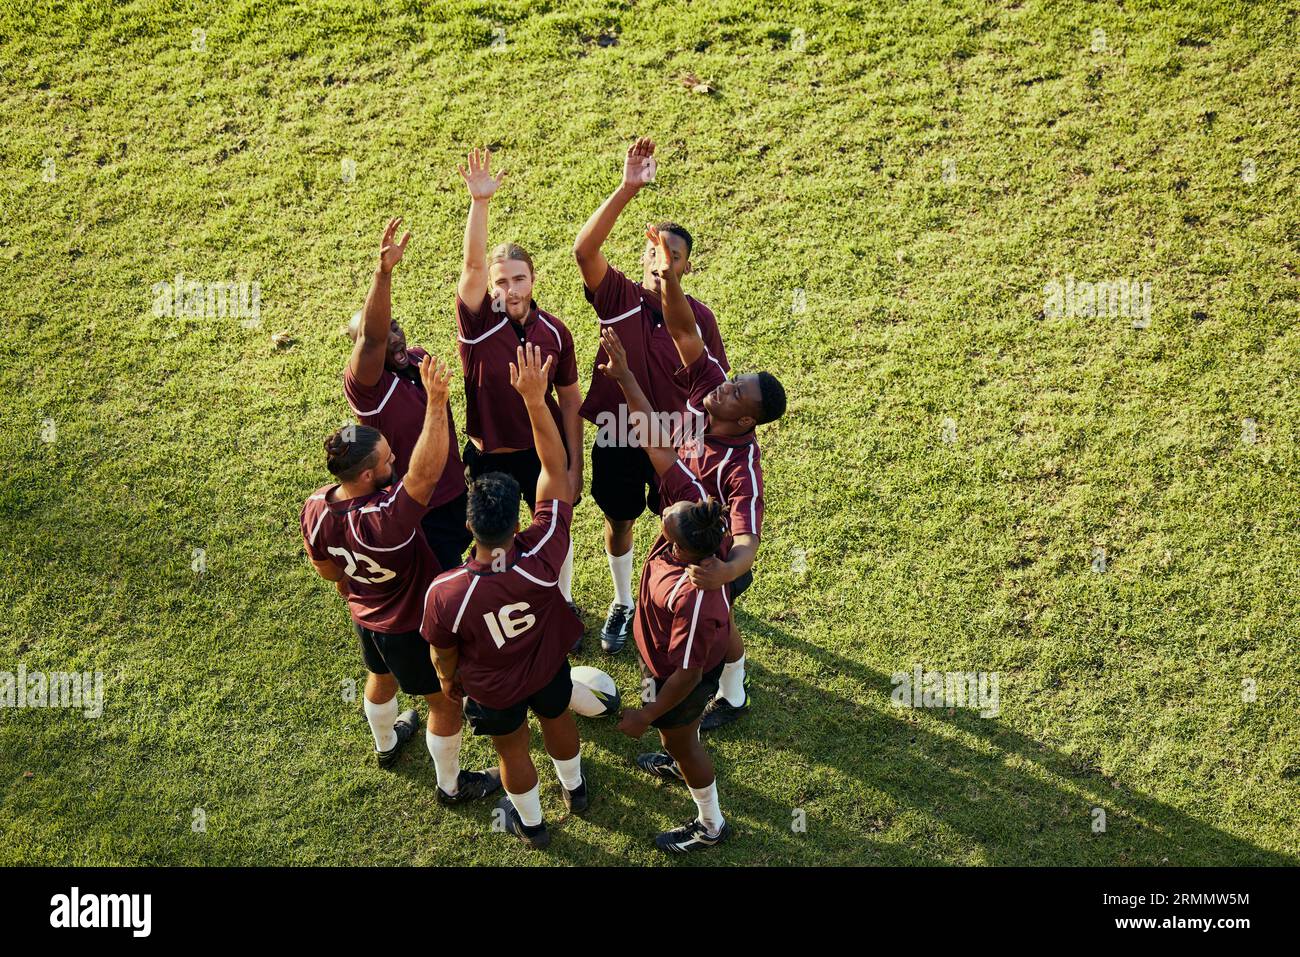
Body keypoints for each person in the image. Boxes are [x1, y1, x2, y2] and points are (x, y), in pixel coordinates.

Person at [300, 354, 502, 807]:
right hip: (409, 625)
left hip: (366, 616)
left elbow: (328, 570)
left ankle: (387, 745)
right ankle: (451, 786)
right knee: (444, 704)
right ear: (368, 474)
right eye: (390, 460)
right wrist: (435, 401)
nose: (397, 463)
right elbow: (426, 473)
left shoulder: (315, 507)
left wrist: (356, 595)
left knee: (379, 676)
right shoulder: (386, 518)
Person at [422, 345, 586, 850]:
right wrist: (537, 401)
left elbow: (442, 651)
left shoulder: (446, 592)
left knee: (512, 750)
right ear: (518, 524)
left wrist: (450, 681)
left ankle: (533, 825)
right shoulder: (542, 551)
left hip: (494, 688)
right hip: (547, 666)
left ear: (470, 526)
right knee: (558, 720)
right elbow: (555, 470)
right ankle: (575, 790)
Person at [572, 137, 730, 655]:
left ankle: (679, 610)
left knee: (682, 533)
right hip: (618, 439)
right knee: (618, 522)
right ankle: (624, 600)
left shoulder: (698, 320)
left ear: (685, 267)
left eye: (673, 254)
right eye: (653, 249)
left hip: (677, 449)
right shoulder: (619, 298)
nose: (660, 259)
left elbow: (713, 392)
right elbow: (584, 250)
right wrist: (627, 187)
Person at [643, 224, 787, 738]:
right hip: (684, 539)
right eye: (733, 380)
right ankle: (736, 689)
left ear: (745, 421)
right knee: (721, 627)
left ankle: (725, 696)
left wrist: (724, 574)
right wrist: (668, 280)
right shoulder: (710, 388)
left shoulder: (741, 468)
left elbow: (748, 542)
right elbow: (686, 333)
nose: (723, 387)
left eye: (735, 394)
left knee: (711, 633)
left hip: (713, 560)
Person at [596, 327, 733, 852]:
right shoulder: (689, 514)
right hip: (661, 664)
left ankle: (711, 824)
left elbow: (688, 674)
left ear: (680, 548)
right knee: (676, 734)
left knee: (683, 736)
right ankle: (676, 752)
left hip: (679, 681)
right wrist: (627, 376)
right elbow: (655, 441)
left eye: (664, 524)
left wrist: (646, 716)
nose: (662, 514)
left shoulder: (696, 595)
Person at [454, 149, 585, 644]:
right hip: (487, 458)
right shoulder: (477, 325)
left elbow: (570, 401)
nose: (510, 289)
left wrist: (574, 464)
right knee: (488, 537)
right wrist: (480, 203)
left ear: (534, 279)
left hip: (541, 451)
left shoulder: (556, 332)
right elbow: (470, 264)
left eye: (519, 278)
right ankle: (500, 607)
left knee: (554, 530)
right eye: (501, 281)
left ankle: (561, 603)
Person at [344, 218, 472, 572]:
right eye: (385, 336)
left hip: (456, 493)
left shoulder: (418, 358)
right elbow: (371, 336)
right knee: (443, 583)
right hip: (420, 509)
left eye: (395, 326)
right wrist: (383, 274)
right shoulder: (368, 391)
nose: (394, 337)